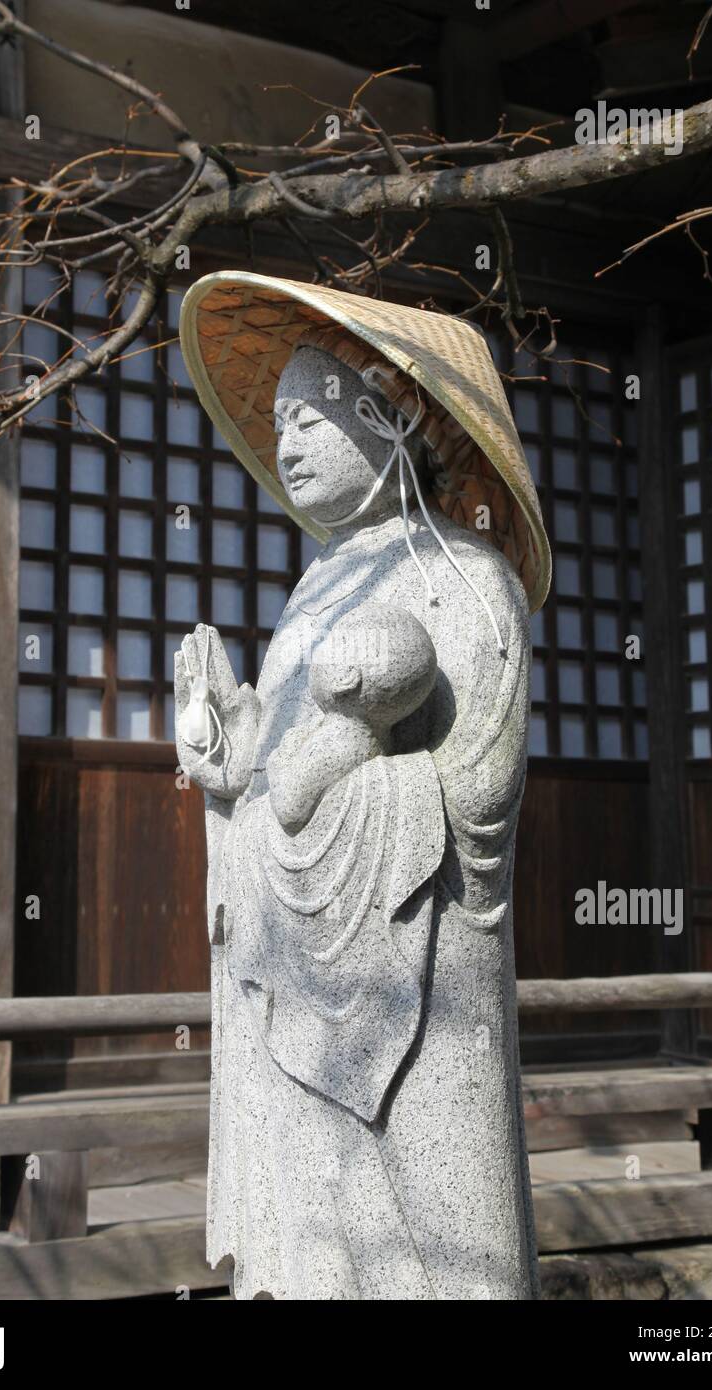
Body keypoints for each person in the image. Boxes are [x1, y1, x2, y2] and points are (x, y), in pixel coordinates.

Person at [173, 270, 551, 1300]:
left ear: (388, 421)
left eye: (310, 417)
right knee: (313, 1240)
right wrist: (231, 769)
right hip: (286, 944)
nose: (286, 442)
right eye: (281, 421)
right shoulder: (316, 586)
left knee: (431, 1245)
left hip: (410, 971)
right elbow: (280, 766)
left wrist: (328, 778)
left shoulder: (468, 577)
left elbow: (478, 790)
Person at [266, 603, 438, 834]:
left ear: (344, 679)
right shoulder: (377, 740)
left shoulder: (332, 745)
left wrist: (278, 761)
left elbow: (290, 810)